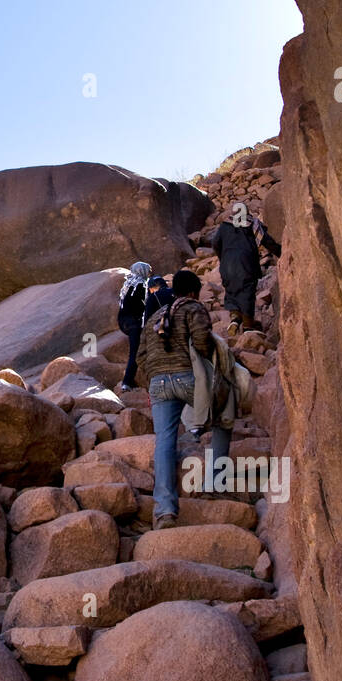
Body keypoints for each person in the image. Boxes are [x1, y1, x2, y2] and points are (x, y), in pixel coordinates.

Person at [136, 268, 213, 529]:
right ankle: (215, 482)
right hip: (187, 377)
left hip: (158, 383)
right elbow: (203, 341)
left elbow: (140, 357)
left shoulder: (155, 317)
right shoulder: (193, 308)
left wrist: (153, 379)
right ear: (193, 292)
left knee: (164, 442)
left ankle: (165, 511)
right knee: (222, 415)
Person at [212, 207, 282, 339]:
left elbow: (215, 243)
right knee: (247, 291)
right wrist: (282, 253)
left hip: (227, 264)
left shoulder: (224, 225)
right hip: (246, 263)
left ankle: (235, 318)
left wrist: (223, 257)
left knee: (231, 290)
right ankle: (248, 325)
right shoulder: (252, 224)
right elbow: (267, 242)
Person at [117, 261, 151, 391]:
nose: (149, 273)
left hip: (123, 322)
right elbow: (145, 306)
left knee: (135, 351)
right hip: (134, 324)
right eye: (148, 271)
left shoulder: (127, 284)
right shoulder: (142, 286)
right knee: (135, 353)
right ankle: (127, 382)